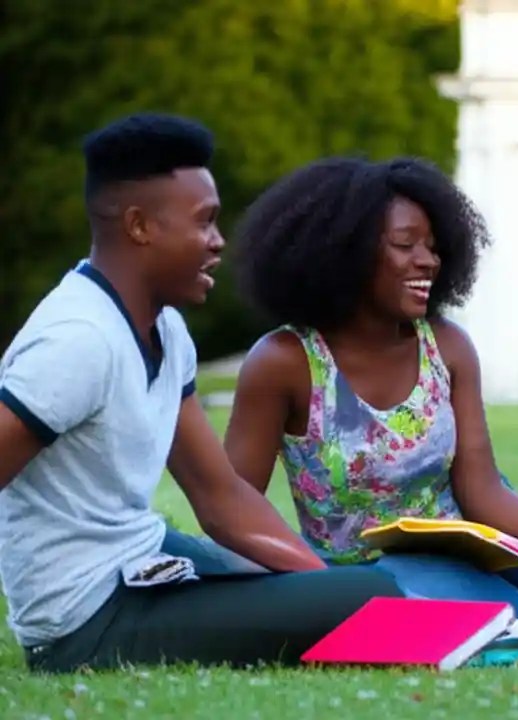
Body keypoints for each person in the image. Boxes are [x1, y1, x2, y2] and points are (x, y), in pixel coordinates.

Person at [0, 114, 401, 674]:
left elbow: (221, 499)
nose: (218, 242)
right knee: (366, 595)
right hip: (88, 622)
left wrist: (318, 585)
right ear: (140, 226)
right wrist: (338, 602)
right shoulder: (78, 341)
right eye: (205, 222)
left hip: (143, 559)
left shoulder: (165, 330)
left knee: (355, 590)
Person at [224, 156, 518, 618]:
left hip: (471, 539)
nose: (429, 260)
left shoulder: (447, 345)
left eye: (434, 246)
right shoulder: (283, 361)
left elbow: (481, 490)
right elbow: (233, 501)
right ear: (344, 250)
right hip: (368, 568)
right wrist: (304, 577)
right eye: (406, 244)